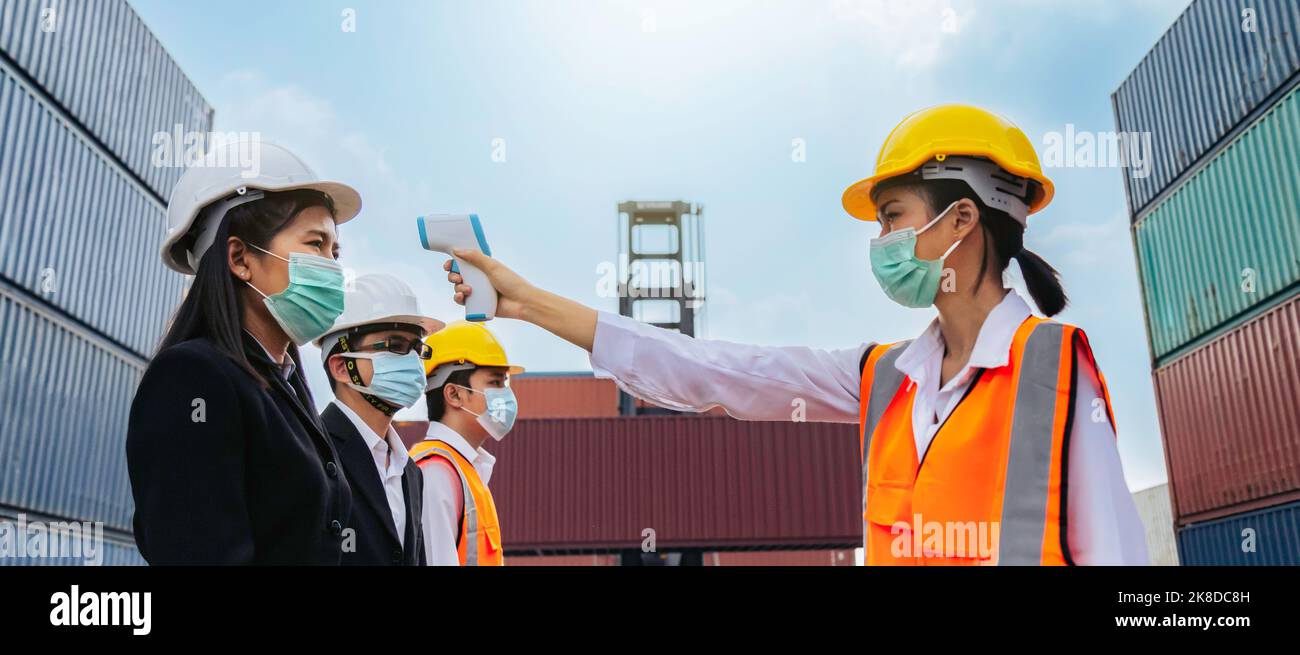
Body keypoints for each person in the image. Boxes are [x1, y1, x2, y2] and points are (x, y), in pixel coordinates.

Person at [443, 104, 1149, 565]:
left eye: (892, 216)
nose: (879, 241)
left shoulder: (1054, 370)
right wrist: (529, 302)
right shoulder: (886, 378)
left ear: (961, 220)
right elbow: (712, 371)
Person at [126, 140, 360, 565]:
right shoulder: (192, 379)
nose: (332, 265)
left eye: (335, 250)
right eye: (315, 244)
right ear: (239, 258)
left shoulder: (285, 390)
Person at [317, 273, 443, 566]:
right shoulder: (311, 451)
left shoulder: (410, 471)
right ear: (342, 367)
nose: (412, 360)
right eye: (395, 345)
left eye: (416, 348)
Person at [412, 321, 523, 566]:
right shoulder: (435, 473)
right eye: (495, 383)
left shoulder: (463, 469)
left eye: (505, 383)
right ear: (454, 394)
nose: (506, 395)